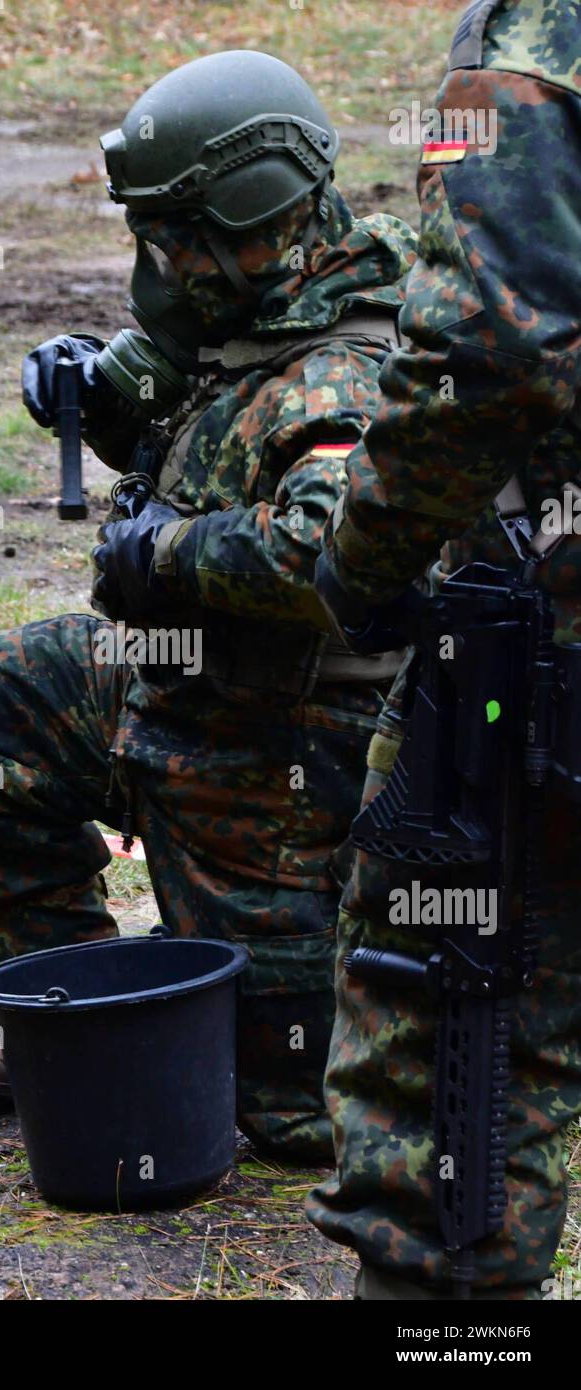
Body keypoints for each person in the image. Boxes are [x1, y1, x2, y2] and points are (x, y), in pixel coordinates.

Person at [0, 49, 416, 1163]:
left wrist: (169, 554)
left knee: (288, 1110)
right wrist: (92, 387)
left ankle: (272, 1002)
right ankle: (78, 1005)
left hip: (289, 761)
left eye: (182, 233)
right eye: (154, 234)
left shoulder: (345, 364)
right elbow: (179, 403)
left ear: (256, 213)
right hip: (186, 696)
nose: (166, 262)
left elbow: (321, 554)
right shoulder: (256, 301)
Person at [308, 0, 581, 1296]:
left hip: (531, 659)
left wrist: (356, 562)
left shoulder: (528, 41)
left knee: (442, 1080)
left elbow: (480, 347)